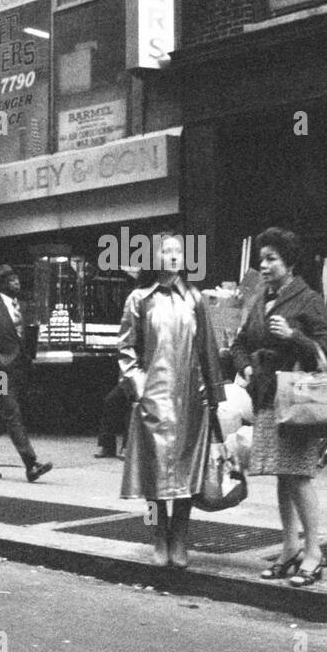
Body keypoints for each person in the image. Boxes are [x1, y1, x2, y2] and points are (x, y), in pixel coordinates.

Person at [231, 227, 327, 589]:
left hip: (297, 400)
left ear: (289, 262)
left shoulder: (308, 299)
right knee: (282, 473)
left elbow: (326, 353)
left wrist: (295, 337)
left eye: (271, 258)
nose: (264, 265)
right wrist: (244, 365)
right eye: (261, 259)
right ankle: (289, 548)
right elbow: (240, 342)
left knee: (300, 475)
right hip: (266, 395)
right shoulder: (261, 297)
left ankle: (315, 552)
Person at [118, 233, 226, 568]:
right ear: (154, 257)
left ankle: (180, 535)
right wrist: (139, 390)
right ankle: (157, 535)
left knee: (188, 476)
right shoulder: (139, 299)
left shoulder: (195, 298)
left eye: (179, 250)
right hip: (152, 401)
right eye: (168, 251)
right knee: (151, 479)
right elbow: (126, 350)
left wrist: (214, 396)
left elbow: (208, 349)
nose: (175, 255)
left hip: (191, 401)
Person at [0, 265, 53, 482]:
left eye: (17, 279)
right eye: (13, 280)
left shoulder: (19, 307)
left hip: (17, 371)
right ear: (3, 284)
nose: (17, 283)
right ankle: (31, 463)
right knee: (11, 413)